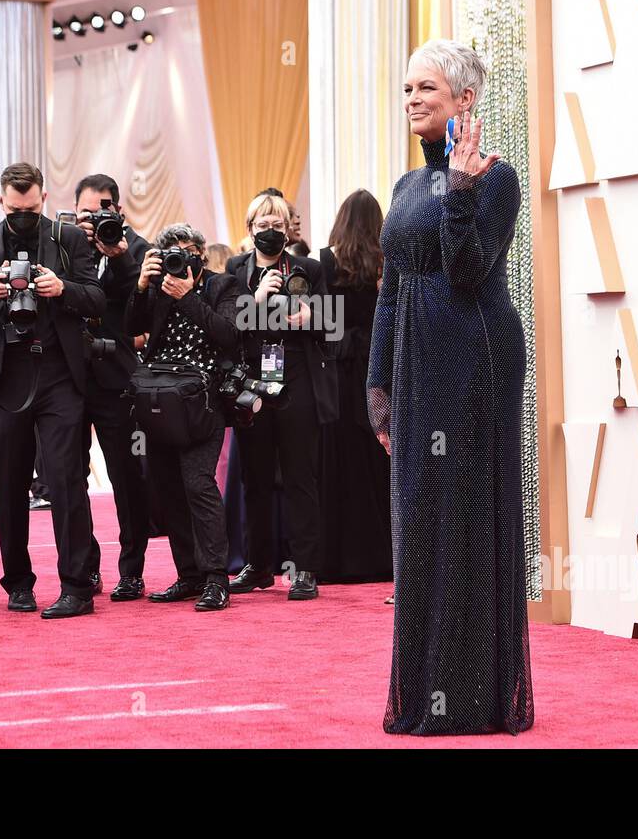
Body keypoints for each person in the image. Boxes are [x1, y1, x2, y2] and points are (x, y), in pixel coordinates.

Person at [368, 38, 534, 735]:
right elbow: (389, 287)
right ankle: (430, 684)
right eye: (407, 89)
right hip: (414, 362)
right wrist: (377, 383)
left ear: (464, 99)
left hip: (474, 360)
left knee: (464, 513)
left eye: (426, 89)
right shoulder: (407, 187)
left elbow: (467, 272)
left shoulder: (497, 178)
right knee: (420, 519)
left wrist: (462, 193)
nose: (412, 100)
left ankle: (471, 696)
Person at [0, 162, 105, 619]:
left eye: (32, 207)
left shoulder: (70, 239)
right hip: (5, 376)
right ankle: (18, 583)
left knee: (65, 479)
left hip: (60, 372)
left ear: (43, 198)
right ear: (0, 202)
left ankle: (77, 585)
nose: (23, 215)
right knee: (9, 482)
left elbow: (97, 300)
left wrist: (62, 288)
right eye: (15, 208)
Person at [225, 194, 337, 600]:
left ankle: (305, 568)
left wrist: (311, 316)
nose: (270, 230)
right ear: (250, 226)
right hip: (252, 378)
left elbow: (335, 325)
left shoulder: (309, 269)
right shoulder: (236, 270)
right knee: (253, 475)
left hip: (297, 376)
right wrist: (254, 301)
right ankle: (257, 565)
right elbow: (224, 323)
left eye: (278, 224)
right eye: (262, 223)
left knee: (298, 475)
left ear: (289, 228)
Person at [126, 223, 240, 611]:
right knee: (169, 487)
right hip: (158, 398)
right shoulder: (156, 288)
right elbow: (131, 328)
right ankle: (188, 575)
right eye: (172, 252)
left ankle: (215, 578)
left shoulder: (223, 286)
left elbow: (229, 334)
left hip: (202, 402)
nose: (181, 258)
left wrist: (190, 297)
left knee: (198, 484)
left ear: (202, 254)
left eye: (188, 250)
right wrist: (142, 286)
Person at [73, 173, 151, 600]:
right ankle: (85, 566)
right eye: (87, 211)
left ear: (117, 210)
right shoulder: (65, 245)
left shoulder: (135, 248)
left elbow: (138, 299)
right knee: (70, 476)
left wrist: (116, 254)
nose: (95, 218)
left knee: (126, 476)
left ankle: (132, 570)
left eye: (103, 209)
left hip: (117, 376)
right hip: (69, 377)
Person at [318, 190, 392, 583]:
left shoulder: (327, 260)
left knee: (341, 457)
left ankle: (338, 558)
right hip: (377, 363)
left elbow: (325, 320)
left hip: (341, 367)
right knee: (378, 451)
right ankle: (383, 555)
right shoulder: (385, 259)